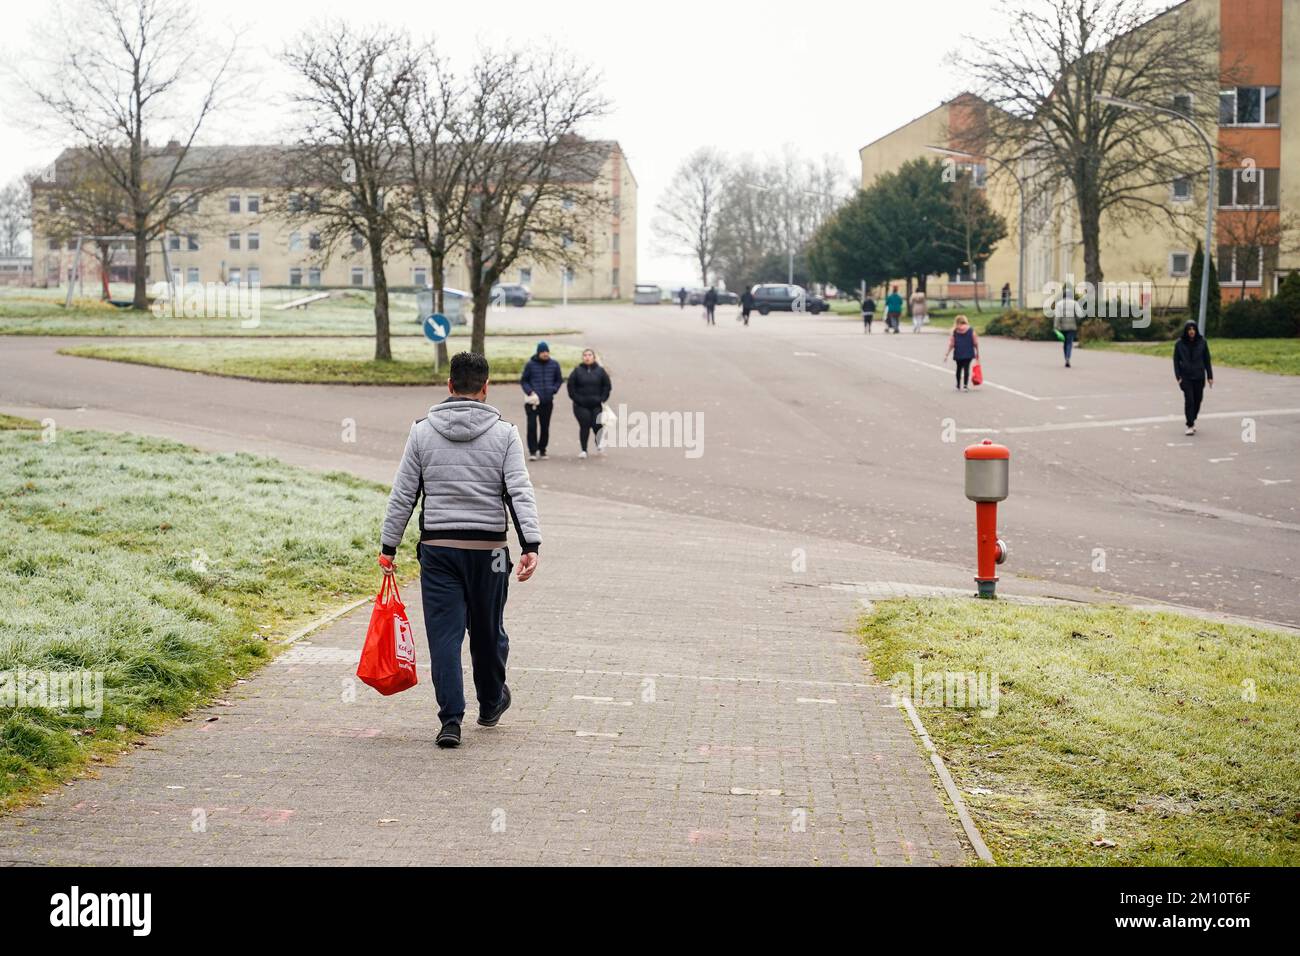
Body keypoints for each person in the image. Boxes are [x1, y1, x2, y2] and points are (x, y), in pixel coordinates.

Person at [378, 351, 541, 749]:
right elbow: (518, 490)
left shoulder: (421, 431)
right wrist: (530, 544)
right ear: (485, 388)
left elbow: (404, 494)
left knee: (444, 637)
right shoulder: (505, 433)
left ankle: (451, 719)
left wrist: (389, 546)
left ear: (449, 385)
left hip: (438, 549)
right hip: (492, 551)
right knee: (489, 632)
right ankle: (491, 702)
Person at [519, 341, 563, 460]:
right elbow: (524, 381)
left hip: (547, 401)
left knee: (545, 426)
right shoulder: (530, 365)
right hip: (532, 402)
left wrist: (553, 390)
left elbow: (559, 380)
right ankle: (533, 451)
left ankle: (542, 449)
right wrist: (530, 392)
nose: (545, 354)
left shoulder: (554, 365)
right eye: (543, 352)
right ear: (538, 353)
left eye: (546, 351)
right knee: (532, 426)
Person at [567, 348, 612, 459]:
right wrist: (577, 399)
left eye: (589, 355)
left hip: (596, 403)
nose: (587, 357)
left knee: (597, 424)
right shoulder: (577, 371)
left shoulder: (600, 371)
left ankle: (599, 444)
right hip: (581, 404)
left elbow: (607, 386)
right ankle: (584, 450)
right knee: (585, 424)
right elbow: (571, 387)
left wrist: (602, 398)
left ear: (594, 357)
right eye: (585, 355)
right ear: (583, 357)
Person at [1173, 320, 1213, 436]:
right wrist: (1178, 376)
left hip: (1199, 376)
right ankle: (1190, 424)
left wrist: (1210, 376)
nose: (1191, 331)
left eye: (1193, 329)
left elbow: (1207, 360)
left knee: (1198, 400)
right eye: (1189, 329)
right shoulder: (1179, 344)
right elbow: (1176, 361)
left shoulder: (1202, 342)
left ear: (1196, 330)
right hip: (1185, 377)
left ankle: (1193, 418)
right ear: (1186, 331)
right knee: (1189, 400)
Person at [943, 315, 980, 390]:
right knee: (966, 368)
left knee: (958, 368)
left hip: (958, 352)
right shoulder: (971, 330)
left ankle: (958, 385)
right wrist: (977, 352)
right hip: (969, 352)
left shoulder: (955, 331)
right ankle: (965, 385)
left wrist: (947, 354)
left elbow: (952, 344)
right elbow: (975, 342)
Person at [1053, 293, 1080, 368]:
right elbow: (1079, 315)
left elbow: (1057, 316)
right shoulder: (1075, 303)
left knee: (1065, 343)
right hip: (1072, 326)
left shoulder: (1059, 304)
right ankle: (1068, 358)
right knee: (1069, 343)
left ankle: (1066, 357)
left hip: (1062, 327)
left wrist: (1055, 327)